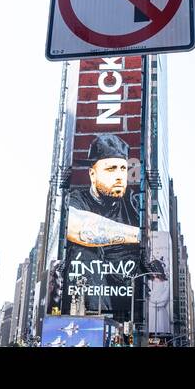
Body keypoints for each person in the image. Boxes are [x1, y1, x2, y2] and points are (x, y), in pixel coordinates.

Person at [64, 134, 141, 318]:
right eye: (111, 168)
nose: (119, 176)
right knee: (85, 252)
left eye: (123, 168)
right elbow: (76, 227)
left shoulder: (133, 203)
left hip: (126, 307)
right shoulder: (77, 199)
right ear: (92, 174)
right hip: (85, 305)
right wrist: (137, 235)